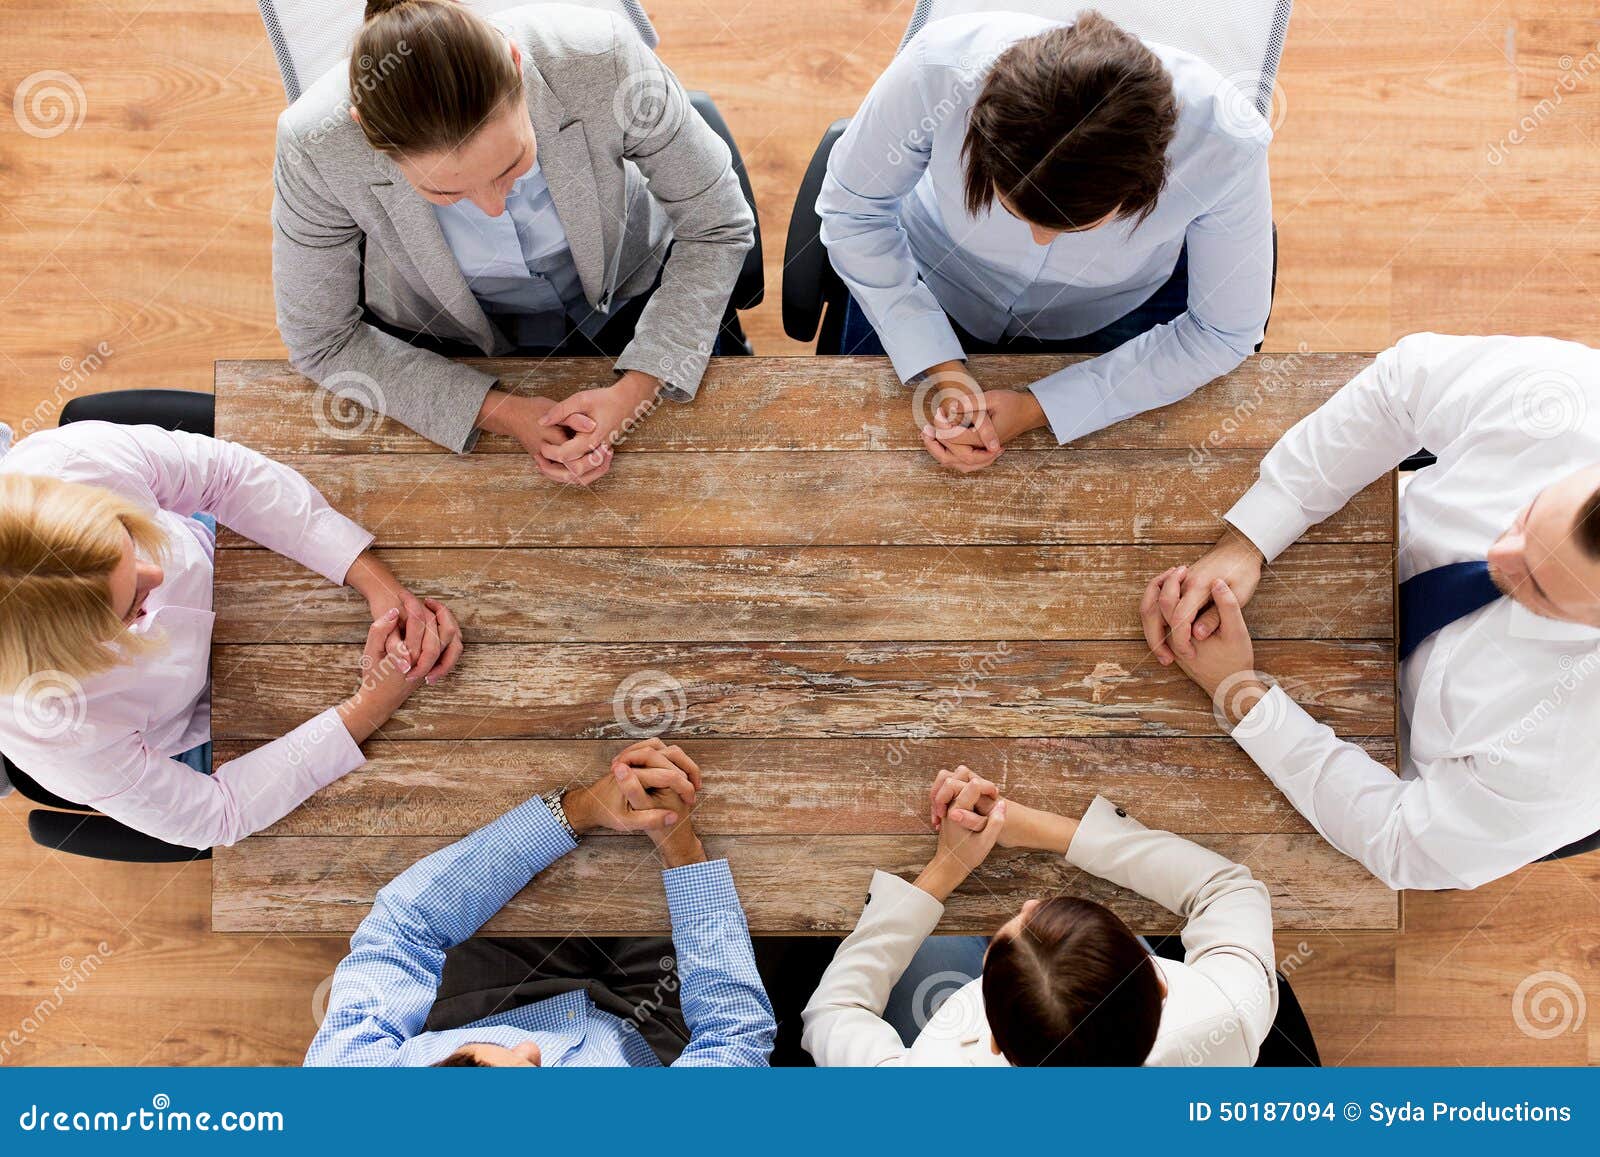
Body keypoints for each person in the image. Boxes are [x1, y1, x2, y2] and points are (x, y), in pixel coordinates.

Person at [1143, 333, 1600, 890]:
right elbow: (1400, 388)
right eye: (1527, 519)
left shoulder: (1570, 758)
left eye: (1540, 589)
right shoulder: (1574, 397)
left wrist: (1242, 694)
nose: (1497, 554)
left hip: (1425, 763)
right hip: (1362, 551)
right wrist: (1253, 535)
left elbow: (1406, 844)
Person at [272, 0, 754, 485]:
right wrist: (504, 413)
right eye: (445, 192)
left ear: (517, 65)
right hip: (445, 341)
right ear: (367, 135)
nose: (491, 209)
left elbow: (717, 223)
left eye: (511, 166)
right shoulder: (315, 145)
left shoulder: (600, 56)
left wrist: (638, 388)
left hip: (629, 292)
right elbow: (321, 339)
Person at [818, 10, 1273, 472]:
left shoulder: (1228, 144)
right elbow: (853, 210)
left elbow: (1222, 332)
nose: (1038, 241)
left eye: (1077, 228)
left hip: (1112, 304)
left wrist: (1041, 407)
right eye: (1014, 210)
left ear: (1147, 184)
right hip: (927, 271)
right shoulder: (936, 72)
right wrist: (935, 360)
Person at [0, 420, 460, 849]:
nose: (157, 575)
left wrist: (371, 578)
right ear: (75, 654)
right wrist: (371, 706)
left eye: (128, 539)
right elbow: (218, 814)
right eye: (131, 604)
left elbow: (225, 477)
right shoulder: (54, 731)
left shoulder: (70, 461)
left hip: (223, 554)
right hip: (184, 722)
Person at [306, 739, 775, 1067]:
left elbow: (402, 927)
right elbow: (732, 1039)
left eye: (479, 1061)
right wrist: (680, 844)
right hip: (655, 1035)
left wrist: (581, 808)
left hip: (489, 999)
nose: (533, 1051)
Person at [802, 767, 1277, 1066]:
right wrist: (1033, 826)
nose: (1026, 905)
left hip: (951, 1019)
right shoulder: (1225, 1019)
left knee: (926, 946)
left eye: (1001, 944)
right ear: (1158, 984)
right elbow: (1227, 889)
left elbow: (833, 1015)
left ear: (995, 1045)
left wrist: (946, 869)